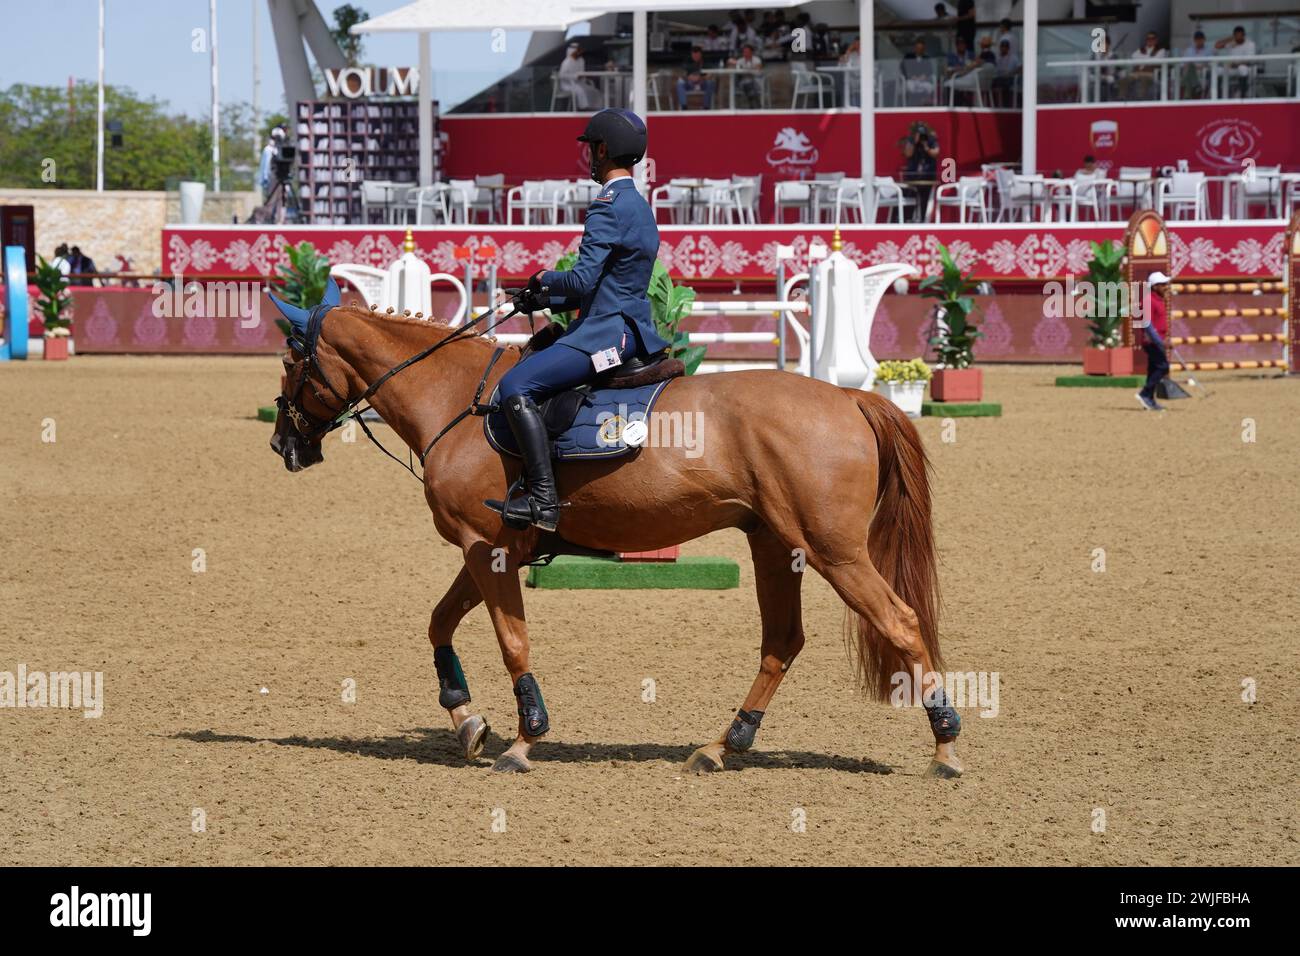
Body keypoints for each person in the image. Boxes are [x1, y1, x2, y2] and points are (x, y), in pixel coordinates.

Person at [486, 109, 670, 532]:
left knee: (514, 385)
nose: (589, 156)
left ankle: (542, 499)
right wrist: (544, 297)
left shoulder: (607, 206)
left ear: (602, 150)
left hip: (606, 335)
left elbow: (584, 278)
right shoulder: (639, 205)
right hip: (629, 328)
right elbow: (609, 281)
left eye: (591, 148)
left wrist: (543, 280)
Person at [1136, 271, 1171, 411]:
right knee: (1163, 367)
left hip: (1158, 340)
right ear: (1155, 286)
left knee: (1153, 370)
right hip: (1151, 341)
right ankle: (1145, 394)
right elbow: (1147, 324)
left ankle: (1149, 400)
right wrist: (1160, 342)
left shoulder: (1158, 300)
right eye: (1163, 284)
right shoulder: (1148, 300)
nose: (1166, 287)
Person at [902, 122, 940, 220]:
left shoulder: (930, 140)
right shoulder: (911, 140)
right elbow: (907, 154)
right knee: (909, 196)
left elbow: (936, 153)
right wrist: (915, 142)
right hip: (913, 176)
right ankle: (908, 219)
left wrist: (926, 147)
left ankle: (923, 219)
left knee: (925, 198)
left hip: (927, 176)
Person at [1214, 26, 1257, 98]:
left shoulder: (1250, 44)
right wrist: (1229, 39)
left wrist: (1236, 64)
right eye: (1236, 35)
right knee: (1217, 70)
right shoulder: (1232, 43)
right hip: (1232, 68)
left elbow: (1249, 60)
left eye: (1240, 35)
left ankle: (1243, 96)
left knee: (1242, 68)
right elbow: (1217, 46)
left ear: (1243, 35)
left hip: (1246, 68)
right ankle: (1218, 96)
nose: (1238, 38)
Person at [1124, 31, 1167, 99]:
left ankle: (1140, 101)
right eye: (1148, 38)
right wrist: (1147, 58)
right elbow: (1133, 57)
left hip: (1150, 73)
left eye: (1152, 38)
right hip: (1137, 73)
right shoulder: (1141, 49)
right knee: (1124, 80)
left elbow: (1156, 61)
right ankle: (1123, 101)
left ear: (1156, 40)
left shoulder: (1161, 50)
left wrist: (1142, 58)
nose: (1150, 40)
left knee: (1143, 80)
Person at [558, 42, 600, 109]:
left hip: (580, 82)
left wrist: (581, 77)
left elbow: (582, 72)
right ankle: (583, 108)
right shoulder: (566, 62)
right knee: (581, 91)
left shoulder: (581, 60)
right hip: (568, 84)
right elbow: (562, 75)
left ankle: (594, 108)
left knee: (594, 91)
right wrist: (575, 76)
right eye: (577, 51)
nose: (579, 53)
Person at [728, 42, 765, 108]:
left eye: (747, 51)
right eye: (744, 52)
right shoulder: (740, 60)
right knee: (747, 83)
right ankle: (756, 106)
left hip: (756, 82)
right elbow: (731, 67)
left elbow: (758, 69)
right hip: (743, 83)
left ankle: (753, 105)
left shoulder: (757, 60)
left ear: (751, 52)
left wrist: (745, 68)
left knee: (750, 84)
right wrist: (731, 63)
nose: (746, 53)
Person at [1181, 30, 1212, 98]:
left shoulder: (1208, 50)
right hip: (1189, 71)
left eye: (1200, 39)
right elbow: (1183, 64)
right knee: (1190, 68)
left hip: (1202, 72)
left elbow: (1210, 64)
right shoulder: (1189, 50)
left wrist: (1199, 66)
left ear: (1204, 39)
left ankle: (1187, 92)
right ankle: (1196, 87)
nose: (1199, 41)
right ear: (1194, 40)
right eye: (1197, 39)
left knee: (1191, 68)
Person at [258, 126, 286, 199]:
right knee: (272, 200)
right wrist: (265, 180)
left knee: (281, 200)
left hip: (280, 178)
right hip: (271, 179)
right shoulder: (268, 149)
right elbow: (265, 167)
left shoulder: (281, 149)